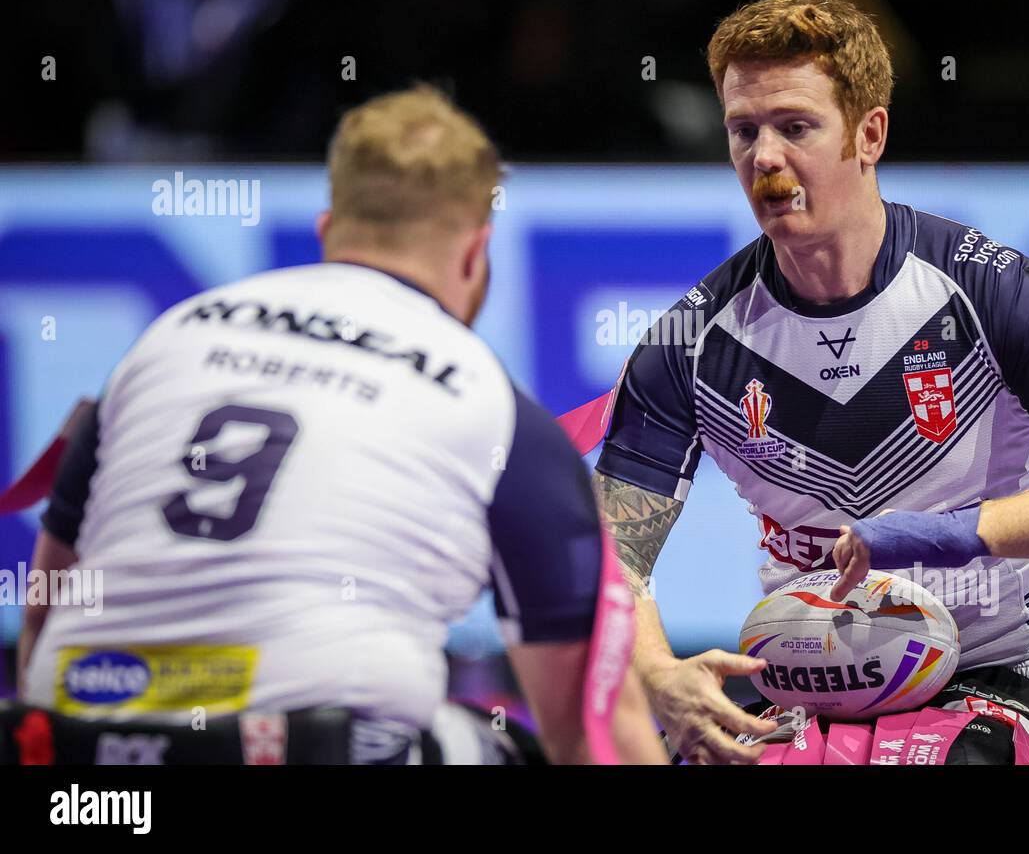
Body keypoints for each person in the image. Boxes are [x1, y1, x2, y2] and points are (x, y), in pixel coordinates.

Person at [592, 0, 1029, 765]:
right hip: (813, 687)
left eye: (795, 127)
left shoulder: (987, 286)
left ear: (869, 134)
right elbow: (608, 561)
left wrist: (945, 536)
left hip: (1004, 669)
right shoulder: (688, 341)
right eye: (744, 130)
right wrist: (659, 676)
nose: (764, 157)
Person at [20, 85, 665, 765]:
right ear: (477, 255)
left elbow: (46, 605)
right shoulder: (495, 407)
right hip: (303, 747)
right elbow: (594, 729)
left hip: (78, 755)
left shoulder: (163, 340)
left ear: (328, 229)